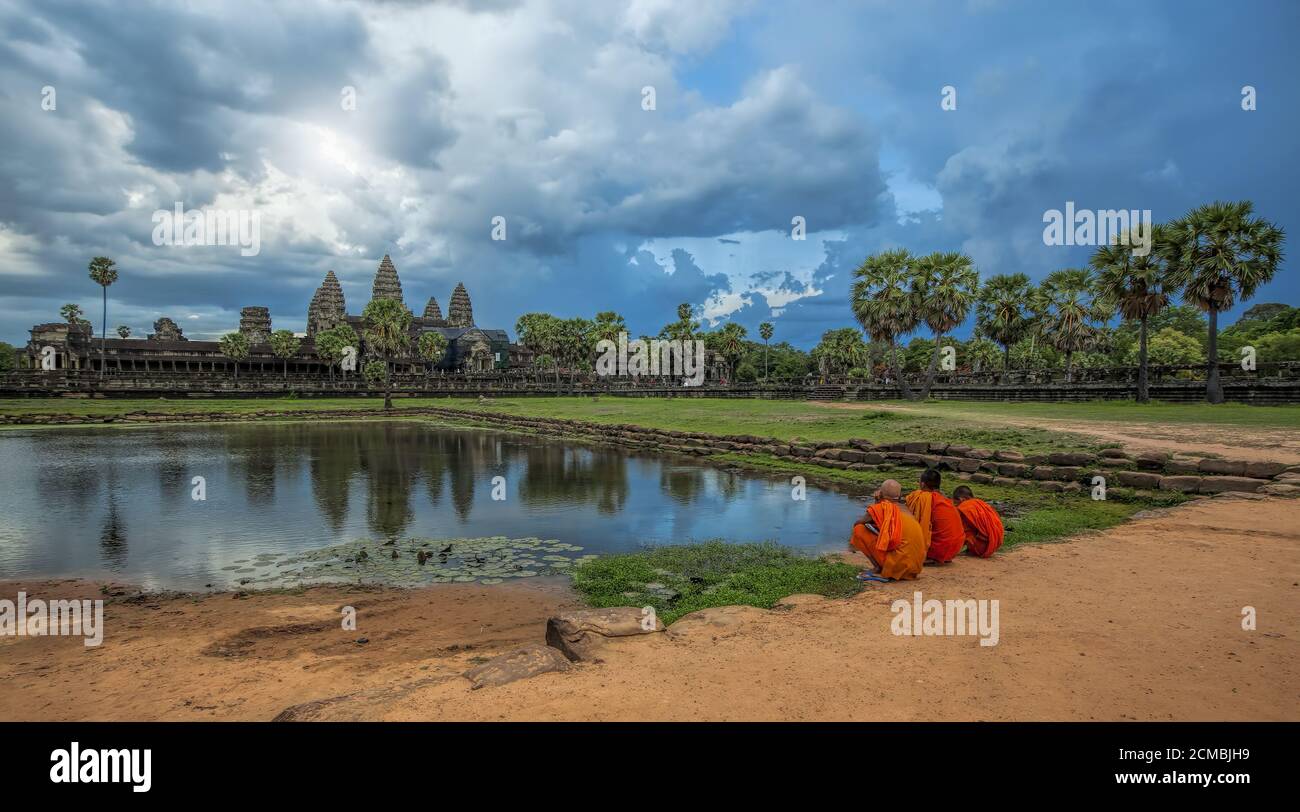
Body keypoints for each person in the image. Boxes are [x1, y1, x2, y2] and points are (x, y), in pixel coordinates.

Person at [848, 479, 926, 581]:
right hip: (915, 566)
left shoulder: (881, 508)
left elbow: (859, 523)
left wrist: (876, 503)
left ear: (880, 493)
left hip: (896, 565)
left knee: (859, 529)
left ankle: (878, 567)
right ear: (899, 495)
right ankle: (887, 567)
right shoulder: (905, 509)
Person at [905, 468, 965, 564]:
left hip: (939, 549)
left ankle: (930, 556)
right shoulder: (945, 500)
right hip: (955, 548)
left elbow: (916, 524)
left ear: (923, 484)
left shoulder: (923, 497)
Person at [952, 485, 1005, 558]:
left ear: (962, 499)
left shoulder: (965, 507)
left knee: (958, 527)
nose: (956, 506)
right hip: (995, 544)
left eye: (956, 503)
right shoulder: (982, 504)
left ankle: (971, 550)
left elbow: (959, 531)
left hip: (981, 547)